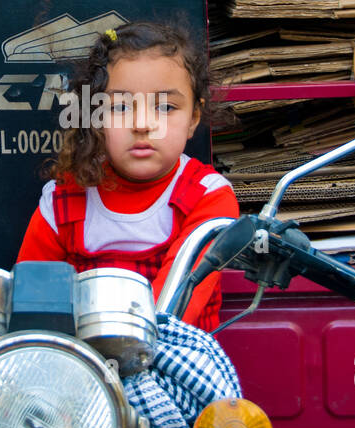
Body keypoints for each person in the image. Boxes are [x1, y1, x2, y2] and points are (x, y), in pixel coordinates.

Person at [16, 19, 239, 329]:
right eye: (120, 107)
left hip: (172, 347)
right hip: (85, 353)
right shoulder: (62, 199)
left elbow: (174, 309)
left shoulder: (209, 196)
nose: (142, 124)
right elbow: (31, 303)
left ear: (193, 118)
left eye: (165, 107)